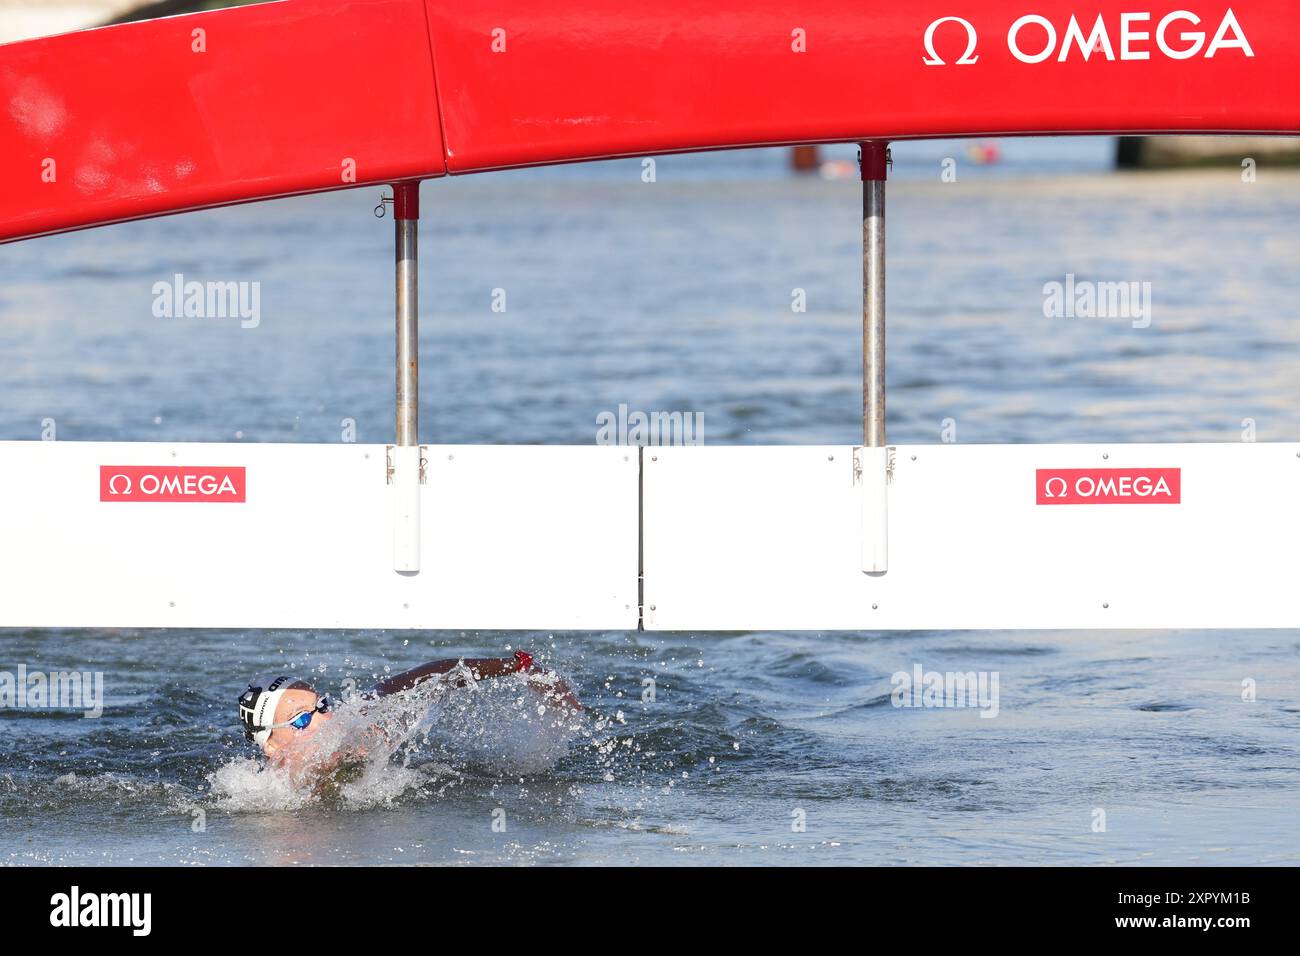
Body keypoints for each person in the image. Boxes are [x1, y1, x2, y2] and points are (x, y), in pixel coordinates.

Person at [237, 651, 581, 784]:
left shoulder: (360, 728)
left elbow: (432, 677)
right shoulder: (264, 795)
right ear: (270, 745)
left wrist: (520, 666)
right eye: (301, 720)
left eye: (323, 706)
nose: (325, 720)